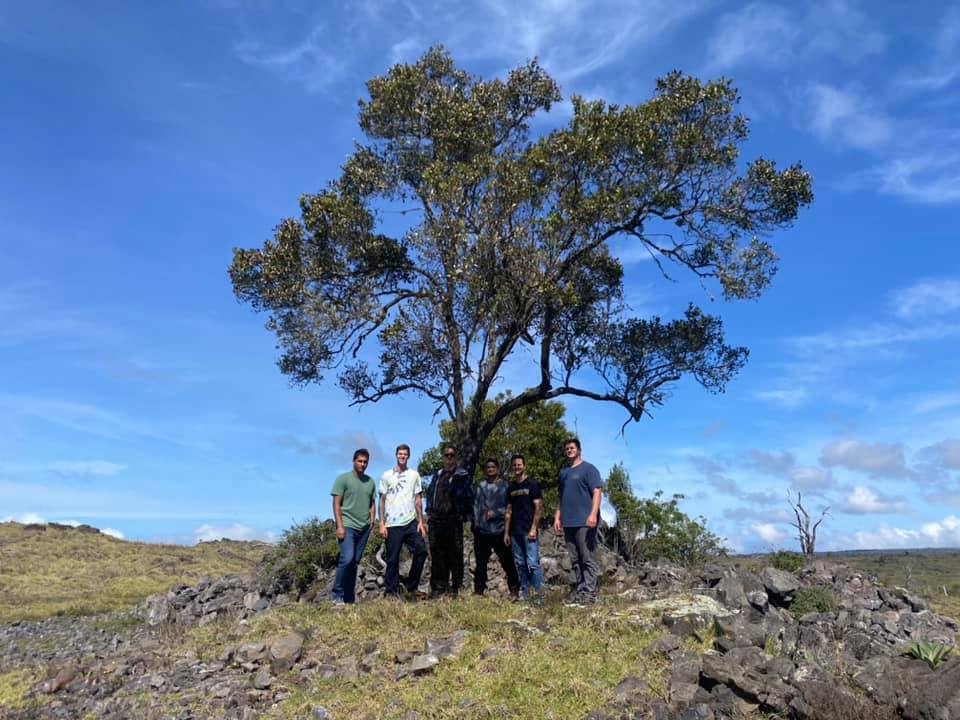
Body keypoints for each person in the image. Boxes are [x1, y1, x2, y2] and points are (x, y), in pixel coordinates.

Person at [554, 437, 603, 605]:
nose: (569, 450)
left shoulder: (589, 469)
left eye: (572, 448)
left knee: (587, 557)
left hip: (584, 521)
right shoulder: (563, 473)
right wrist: (557, 516)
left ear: (579, 450)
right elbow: (561, 496)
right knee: (574, 559)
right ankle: (580, 591)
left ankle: (590, 592)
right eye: (567, 448)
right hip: (568, 522)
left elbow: (597, 492)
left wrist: (593, 515)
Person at [424, 445, 474, 598]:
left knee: (455, 555)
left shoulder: (462, 476)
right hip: (436, 521)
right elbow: (430, 493)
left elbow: (469, 497)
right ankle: (439, 589)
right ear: (443, 457)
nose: (449, 458)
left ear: (456, 458)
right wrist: (429, 512)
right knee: (437, 555)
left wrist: (465, 516)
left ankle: (456, 589)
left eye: (452, 455)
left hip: (453, 521)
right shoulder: (437, 475)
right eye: (446, 455)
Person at [379, 443, 428, 598]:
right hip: (392, 524)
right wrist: (381, 523)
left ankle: (411, 587)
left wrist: (421, 521)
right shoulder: (386, 476)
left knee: (421, 551)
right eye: (400, 453)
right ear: (396, 455)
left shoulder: (414, 475)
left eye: (405, 454)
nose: (402, 456)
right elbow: (381, 500)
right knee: (392, 559)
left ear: (409, 456)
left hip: (410, 521)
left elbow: (418, 499)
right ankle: (391, 593)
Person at [331, 448, 377, 605]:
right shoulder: (343, 479)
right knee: (347, 559)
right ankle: (337, 594)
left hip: (364, 528)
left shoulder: (370, 482)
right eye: (360, 461)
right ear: (353, 461)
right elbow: (336, 504)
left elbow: (372, 502)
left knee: (355, 562)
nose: (363, 464)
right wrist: (340, 526)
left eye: (365, 462)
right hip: (347, 525)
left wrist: (372, 520)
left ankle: (349, 598)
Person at [472, 458, 520, 598]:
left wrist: (496, 513)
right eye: (488, 467)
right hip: (482, 532)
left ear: (498, 469)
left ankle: (514, 590)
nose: (490, 469)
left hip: (500, 531)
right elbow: (476, 506)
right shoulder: (480, 486)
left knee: (508, 562)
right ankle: (479, 591)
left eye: (493, 467)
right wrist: (476, 523)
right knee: (480, 564)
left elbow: (510, 508)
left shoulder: (506, 486)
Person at [504, 454, 544, 603]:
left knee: (533, 564)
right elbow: (508, 511)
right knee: (520, 564)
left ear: (524, 466)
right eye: (514, 465)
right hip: (515, 532)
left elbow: (538, 507)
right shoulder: (511, 488)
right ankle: (525, 594)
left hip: (529, 531)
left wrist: (534, 528)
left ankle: (540, 595)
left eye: (519, 465)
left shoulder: (532, 484)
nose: (516, 467)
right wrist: (506, 533)